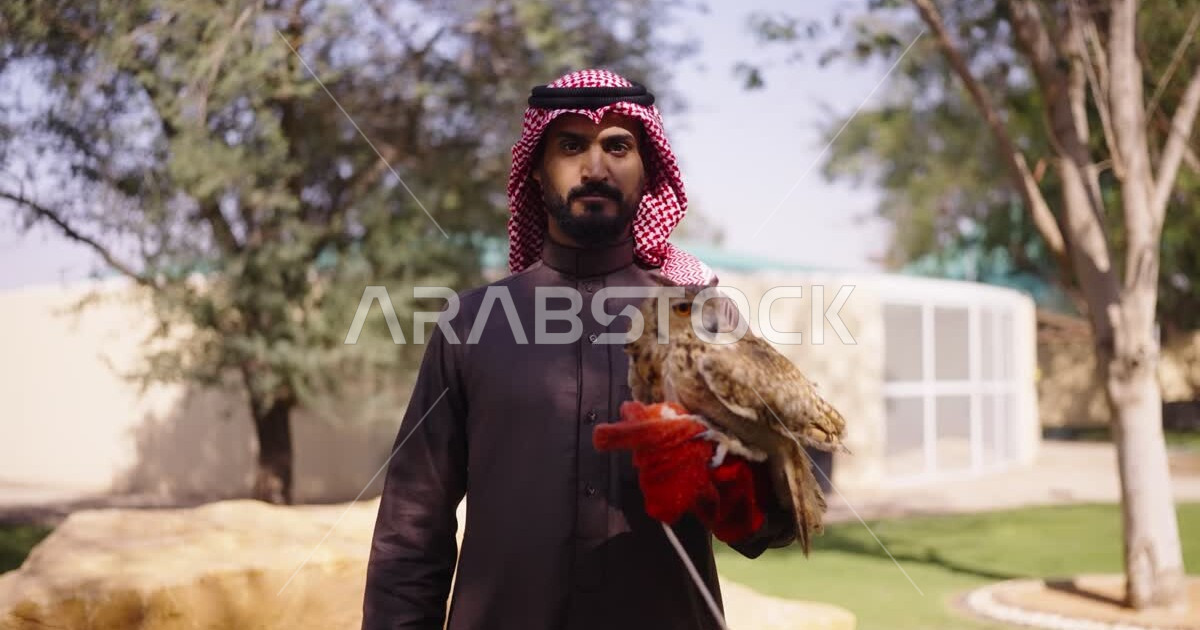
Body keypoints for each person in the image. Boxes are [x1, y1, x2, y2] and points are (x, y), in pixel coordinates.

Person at [362, 69, 795, 630]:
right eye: (571, 146)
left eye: (619, 146)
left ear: (648, 170)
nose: (595, 167)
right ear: (537, 172)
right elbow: (412, 526)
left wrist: (723, 473)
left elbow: (777, 525)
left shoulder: (703, 324)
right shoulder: (469, 325)